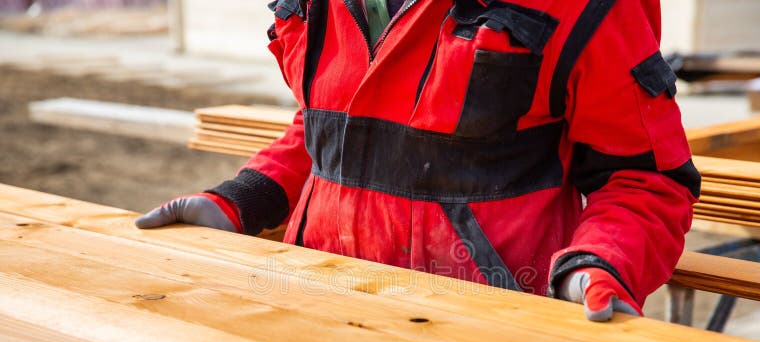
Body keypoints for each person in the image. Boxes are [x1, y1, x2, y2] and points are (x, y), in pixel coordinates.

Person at [136, 0, 700, 321]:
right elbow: (327, 128)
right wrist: (240, 201)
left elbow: (645, 177)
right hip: (317, 310)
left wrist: (600, 265)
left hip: (498, 338)